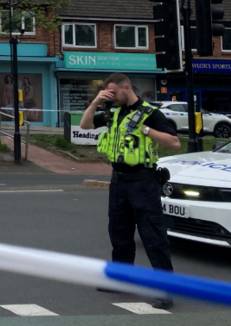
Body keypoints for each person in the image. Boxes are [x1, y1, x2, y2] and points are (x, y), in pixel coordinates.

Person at [80, 72, 180, 310]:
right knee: (119, 233)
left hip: (143, 182)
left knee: (153, 237)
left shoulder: (151, 113)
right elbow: (85, 125)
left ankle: (166, 289)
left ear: (127, 87)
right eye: (108, 93)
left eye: (113, 92)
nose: (111, 97)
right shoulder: (114, 112)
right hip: (118, 181)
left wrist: (146, 130)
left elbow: (173, 142)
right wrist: (95, 102)